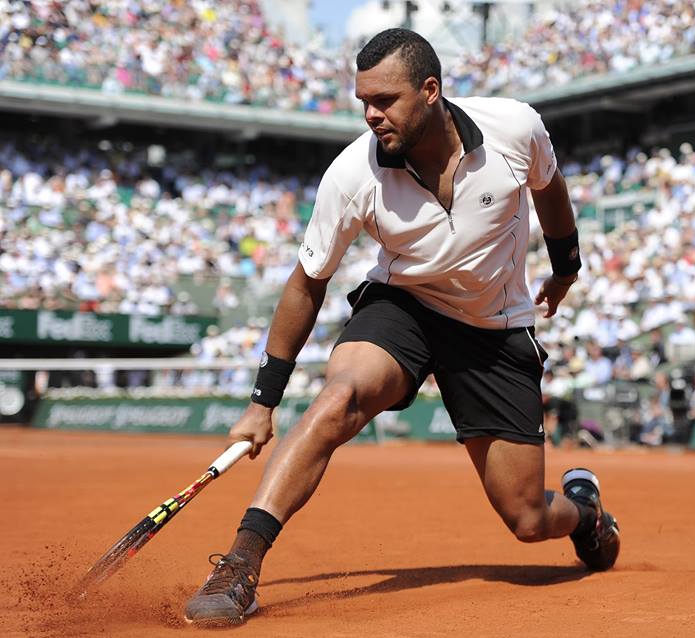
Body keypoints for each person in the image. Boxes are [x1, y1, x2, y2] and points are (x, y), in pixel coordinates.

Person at [183, 29, 620, 627]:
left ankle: (586, 511)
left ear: (430, 91)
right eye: (363, 100)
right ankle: (238, 564)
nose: (370, 114)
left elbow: (551, 187)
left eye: (385, 100)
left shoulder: (514, 129)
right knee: (339, 397)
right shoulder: (351, 175)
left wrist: (566, 266)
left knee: (526, 520)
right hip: (404, 304)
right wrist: (264, 401)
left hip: (493, 329)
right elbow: (307, 282)